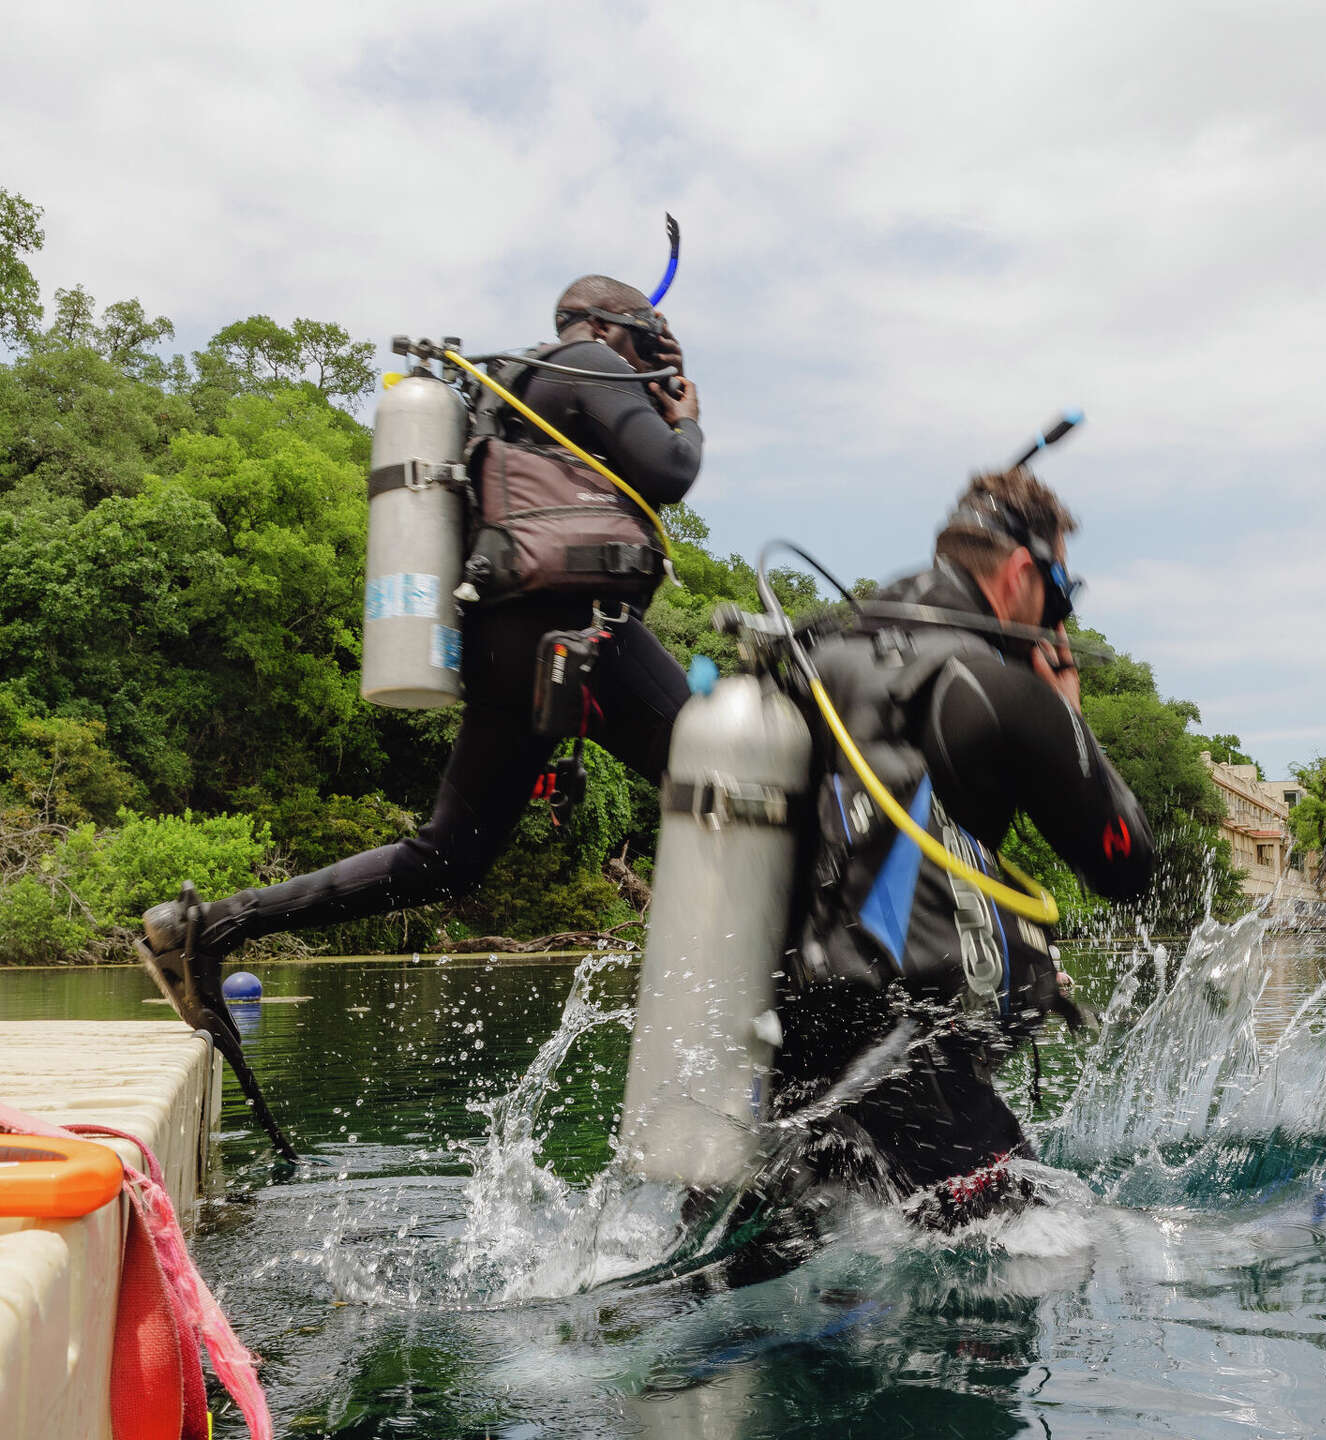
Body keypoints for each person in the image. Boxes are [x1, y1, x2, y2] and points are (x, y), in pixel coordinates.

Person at [138, 275, 703, 1106]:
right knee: (724, 776)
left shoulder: (517, 395)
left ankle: (208, 925)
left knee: (447, 859)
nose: (649, 363)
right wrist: (684, 416)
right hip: (576, 623)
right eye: (647, 342)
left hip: (514, 638)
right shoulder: (585, 360)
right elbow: (670, 471)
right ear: (611, 327)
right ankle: (800, 990)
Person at [770, 466, 1156, 1226]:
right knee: (1044, 1243)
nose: (1060, 617)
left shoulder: (820, 654)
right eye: (1062, 593)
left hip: (778, 1049)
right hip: (903, 1061)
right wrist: (1067, 713)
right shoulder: (993, 688)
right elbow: (1127, 867)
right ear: (1020, 573)